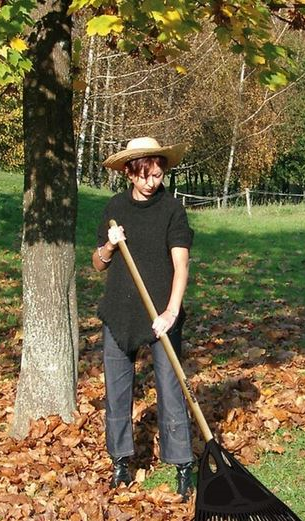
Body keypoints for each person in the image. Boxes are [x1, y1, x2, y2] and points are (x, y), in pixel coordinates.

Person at [92, 136, 195, 499]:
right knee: (117, 391)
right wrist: (109, 243)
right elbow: (98, 263)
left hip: (161, 317)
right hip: (120, 312)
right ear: (129, 173)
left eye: (158, 174)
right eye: (146, 175)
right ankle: (121, 461)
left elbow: (181, 267)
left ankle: (182, 464)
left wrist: (171, 311)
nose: (153, 182)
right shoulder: (114, 208)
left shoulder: (172, 210)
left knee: (171, 388)